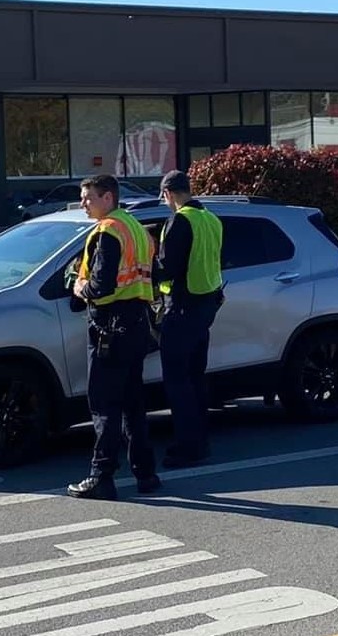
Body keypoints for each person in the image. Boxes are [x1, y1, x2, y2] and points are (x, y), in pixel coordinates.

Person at [67, 174, 161, 500]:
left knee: (105, 404)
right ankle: (146, 474)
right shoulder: (138, 230)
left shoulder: (108, 231)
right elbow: (154, 274)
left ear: (108, 198)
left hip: (110, 326)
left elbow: (102, 287)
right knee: (133, 403)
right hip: (135, 325)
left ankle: (101, 476)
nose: (83, 204)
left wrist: (80, 287)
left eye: (87, 197)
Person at [154, 169, 224, 468]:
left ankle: (187, 446)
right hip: (205, 306)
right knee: (195, 379)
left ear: (168, 193)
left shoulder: (179, 220)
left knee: (178, 381)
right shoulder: (211, 218)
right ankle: (201, 441)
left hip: (182, 306)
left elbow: (167, 267)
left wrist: (145, 270)